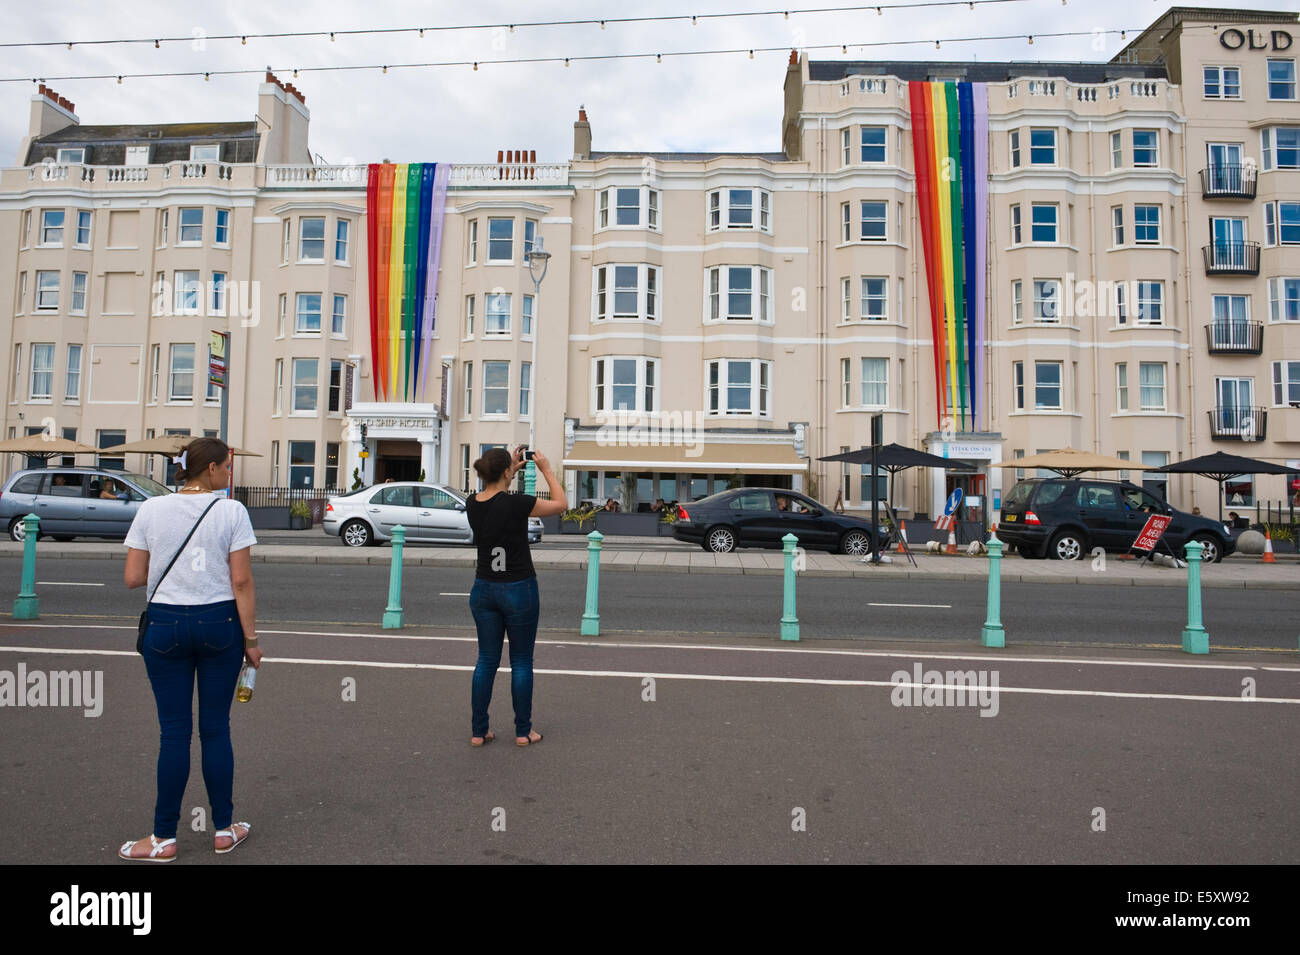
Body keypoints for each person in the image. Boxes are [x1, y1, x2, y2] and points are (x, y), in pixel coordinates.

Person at [118, 437, 260, 861]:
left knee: (173, 733)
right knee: (216, 729)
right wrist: (251, 640)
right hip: (219, 624)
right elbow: (241, 582)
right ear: (212, 469)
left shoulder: (151, 508)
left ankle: (163, 838)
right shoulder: (231, 511)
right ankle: (222, 829)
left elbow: (132, 577)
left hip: (165, 623)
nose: (229, 474)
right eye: (226, 467)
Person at [464, 446, 565, 747]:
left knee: (486, 661)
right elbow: (561, 504)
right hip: (519, 587)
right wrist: (545, 468)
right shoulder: (517, 504)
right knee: (521, 661)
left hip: (484, 588)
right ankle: (523, 731)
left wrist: (508, 468)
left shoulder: (472, 503)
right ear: (506, 473)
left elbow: (494, 495)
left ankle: (479, 731)